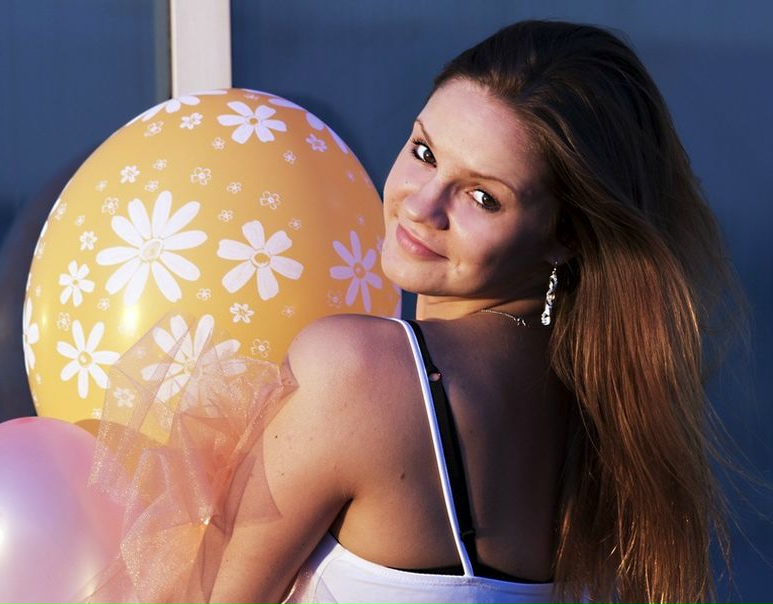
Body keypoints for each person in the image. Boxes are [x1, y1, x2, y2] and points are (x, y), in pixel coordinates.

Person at [90, 19, 744, 604]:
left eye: (483, 197)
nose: (421, 206)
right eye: (425, 152)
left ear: (564, 235)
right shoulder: (602, 424)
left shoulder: (359, 372)